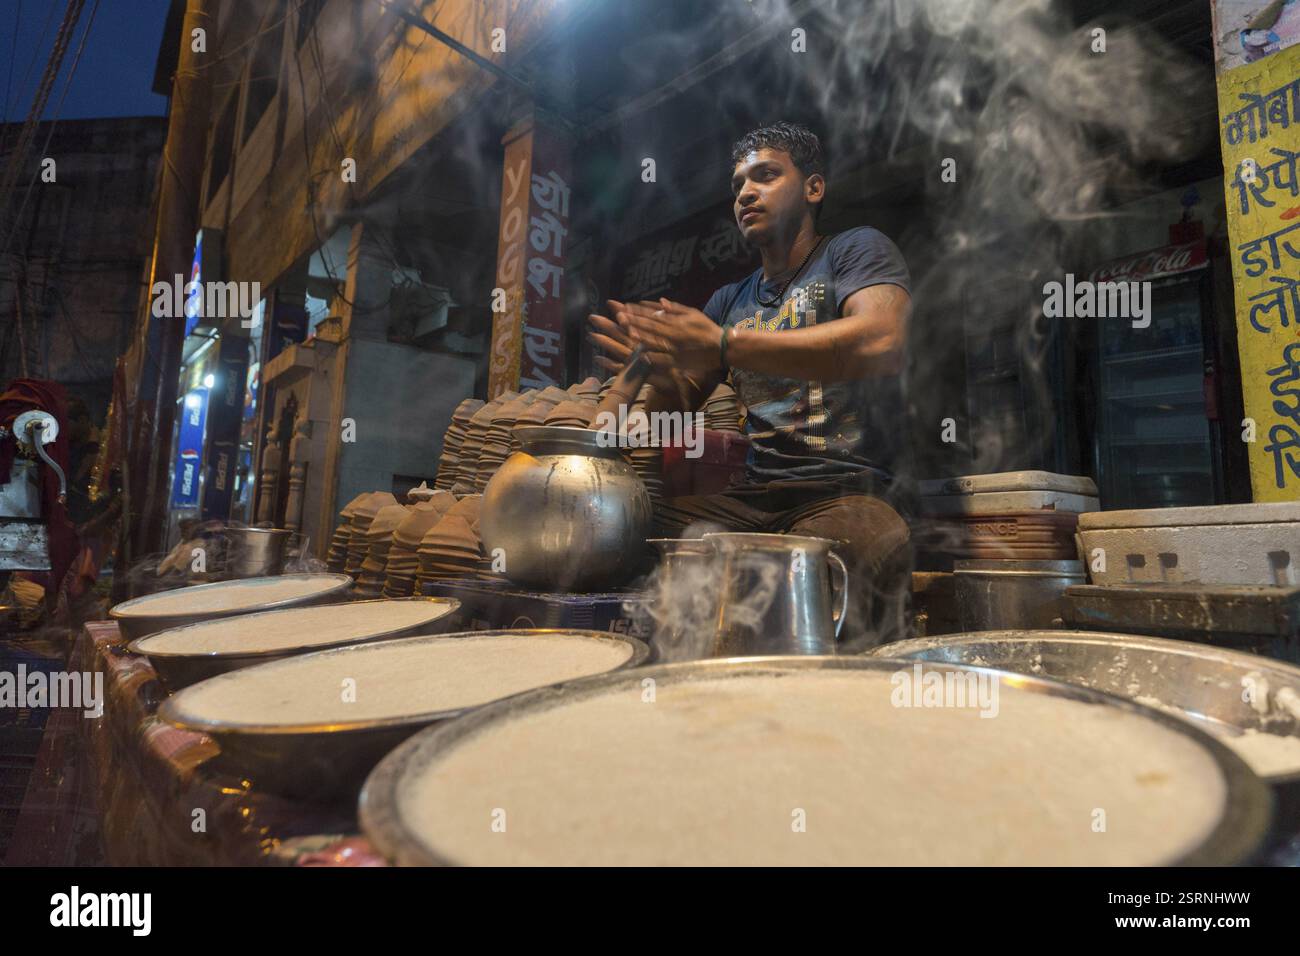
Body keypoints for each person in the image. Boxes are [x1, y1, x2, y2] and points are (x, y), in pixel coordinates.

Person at [588, 122, 912, 648]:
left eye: (765, 175)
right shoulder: (729, 300)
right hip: (755, 498)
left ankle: (843, 700)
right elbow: (661, 419)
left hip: (849, 490)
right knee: (624, 530)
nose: (745, 193)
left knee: (862, 546)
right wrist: (652, 372)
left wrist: (722, 346)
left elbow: (882, 341)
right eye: (738, 183)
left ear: (813, 187)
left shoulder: (853, 252)